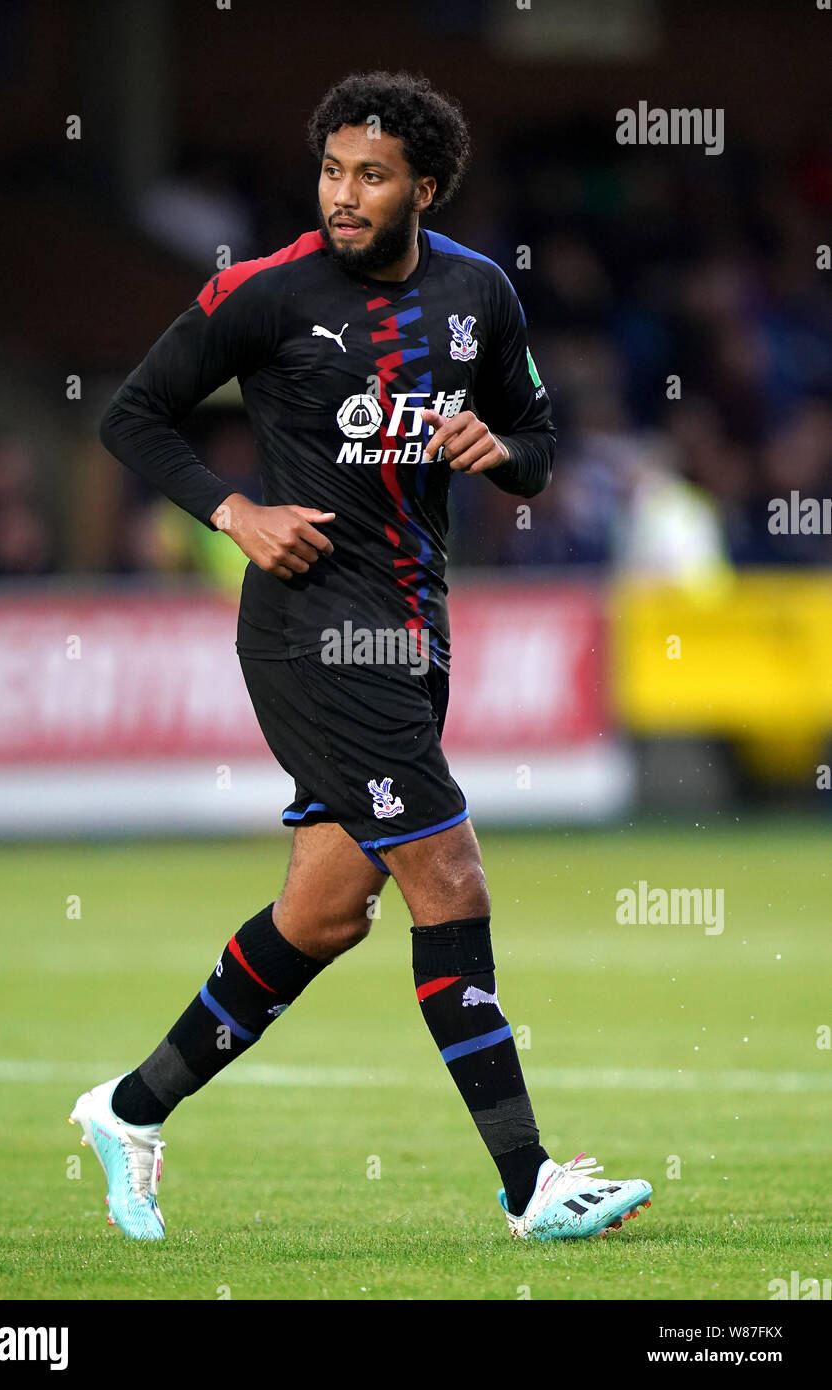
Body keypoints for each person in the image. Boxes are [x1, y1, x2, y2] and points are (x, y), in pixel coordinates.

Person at [81, 69, 652, 1244]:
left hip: (411, 630)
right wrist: (234, 511)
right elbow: (130, 413)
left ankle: (128, 1109)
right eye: (334, 170)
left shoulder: (478, 294)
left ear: (423, 187)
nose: (345, 194)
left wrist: (500, 447)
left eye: (372, 176)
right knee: (453, 882)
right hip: (311, 633)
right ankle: (530, 1181)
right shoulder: (267, 292)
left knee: (328, 911)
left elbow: (539, 443)